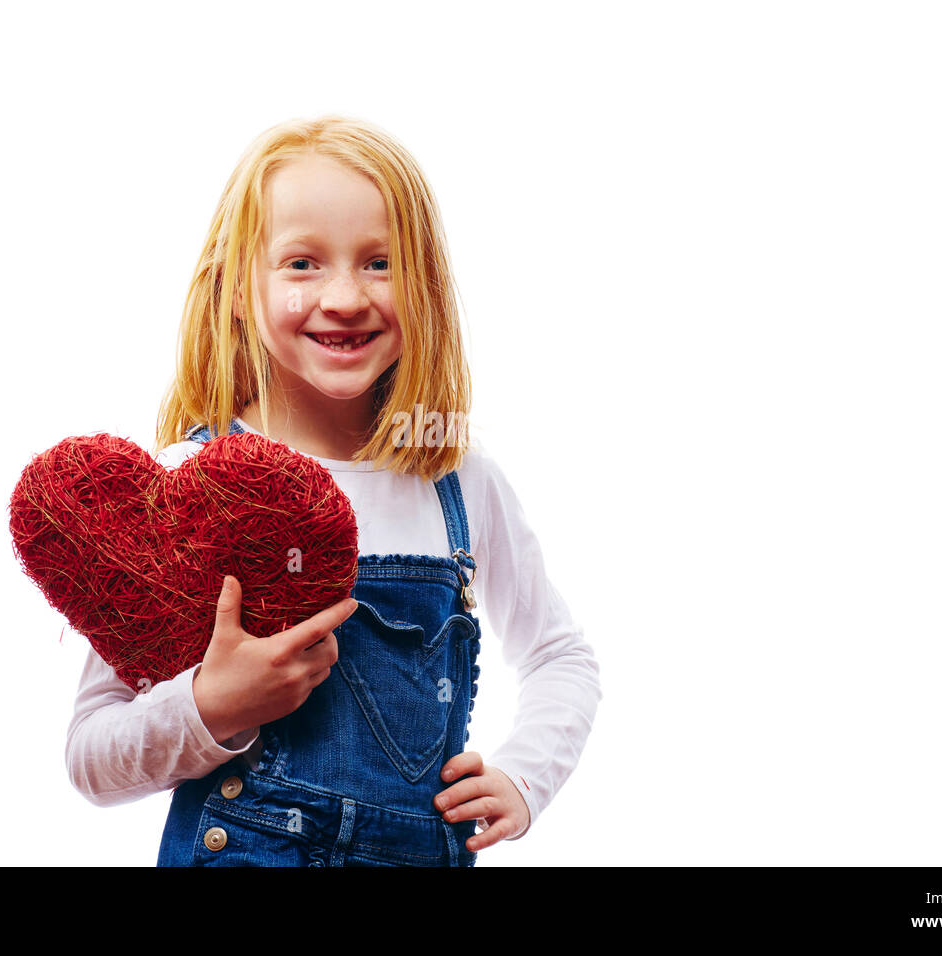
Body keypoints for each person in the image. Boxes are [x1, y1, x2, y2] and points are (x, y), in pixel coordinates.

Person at [65, 115, 601, 866]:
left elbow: (559, 655)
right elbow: (92, 751)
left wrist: (524, 776)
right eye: (302, 264)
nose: (346, 296)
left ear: (427, 286)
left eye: (380, 263)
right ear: (239, 288)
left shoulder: (454, 477)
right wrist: (211, 706)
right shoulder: (186, 486)